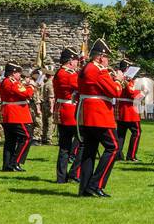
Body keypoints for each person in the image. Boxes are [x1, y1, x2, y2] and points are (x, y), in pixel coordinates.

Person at [75, 39, 122, 197]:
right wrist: (118, 80)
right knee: (114, 147)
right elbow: (115, 91)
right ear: (100, 57)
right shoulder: (98, 70)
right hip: (99, 115)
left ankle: (85, 187)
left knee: (90, 151)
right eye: (107, 57)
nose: (108, 60)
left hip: (88, 114)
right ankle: (96, 184)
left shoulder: (86, 69)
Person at [0, 63, 35, 171]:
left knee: (11, 140)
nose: (20, 75)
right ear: (13, 73)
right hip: (16, 114)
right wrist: (31, 86)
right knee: (27, 137)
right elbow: (27, 94)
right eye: (19, 73)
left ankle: (7, 165)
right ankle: (15, 162)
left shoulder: (9, 81)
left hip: (10, 113)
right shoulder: (12, 82)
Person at [52, 47, 81, 183]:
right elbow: (81, 86)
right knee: (83, 142)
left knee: (64, 147)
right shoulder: (69, 74)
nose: (77, 63)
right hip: (70, 111)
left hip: (62, 110)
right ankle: (74, 173)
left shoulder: (60, 73)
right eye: (76, 61)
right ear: (70, 61)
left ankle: (61, 177)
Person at [114, 60, 142, 161]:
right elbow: (133, 93)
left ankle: (117, 155)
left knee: (121, 134)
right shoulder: (128, 80)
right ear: (127, 69)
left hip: (120, 109)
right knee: (137, 132)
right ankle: (131, 155)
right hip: (130, 111)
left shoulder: (117, 79)